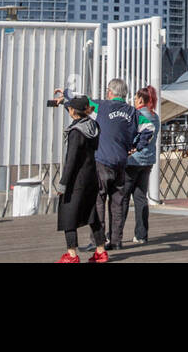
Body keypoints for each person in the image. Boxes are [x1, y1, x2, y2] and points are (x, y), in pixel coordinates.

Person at [54, 78, 141, 252]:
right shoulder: (133, 112)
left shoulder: (102, 106)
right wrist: (136, 145)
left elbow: (84, 102)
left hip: (102, 161)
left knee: (98, 202)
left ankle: (97, 242)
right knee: (118, 202)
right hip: (121, 162)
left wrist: (65, 95)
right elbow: (150, 129)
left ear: (110, 92)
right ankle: (116, 241)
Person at [55, 95, 105, 263]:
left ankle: (71, 255)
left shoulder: (76, 132)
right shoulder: (93, 126)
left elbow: (71, 160)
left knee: (67, 213)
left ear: (72, 112)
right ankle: (100, 251)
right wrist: (64, 102)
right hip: (91, 176)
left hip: (77, 179)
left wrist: (63, 184)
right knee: (92, 214)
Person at [119, 86, 159, 245]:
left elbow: (131, 136)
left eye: (135, 98)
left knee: (122, 198)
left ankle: (116, 234)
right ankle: (141, 234)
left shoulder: (137, 115)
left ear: (141, 100)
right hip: (148, 161)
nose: (134, 101)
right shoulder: (155, 116)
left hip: (133, 161)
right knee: (141, 197)